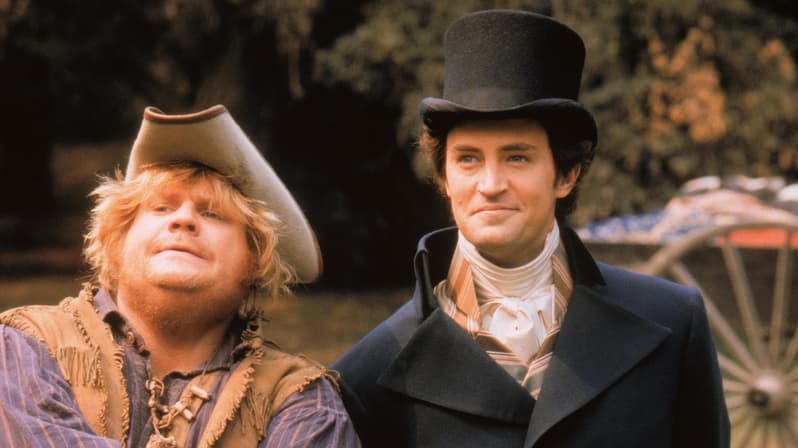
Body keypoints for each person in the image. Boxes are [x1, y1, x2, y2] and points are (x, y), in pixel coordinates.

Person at [332, 9, 729, 447]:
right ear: (444, 178)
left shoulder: (673, 323)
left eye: (517, 157)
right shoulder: (367, 376)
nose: (490, 185)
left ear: (566, 175)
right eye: (468, 159)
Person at [0, 105, 360, 447]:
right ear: (116, 240)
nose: (184, 219)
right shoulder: (20, 346)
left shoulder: (302, 400)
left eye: (212, 213)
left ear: (254, 260)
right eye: (162, 207)